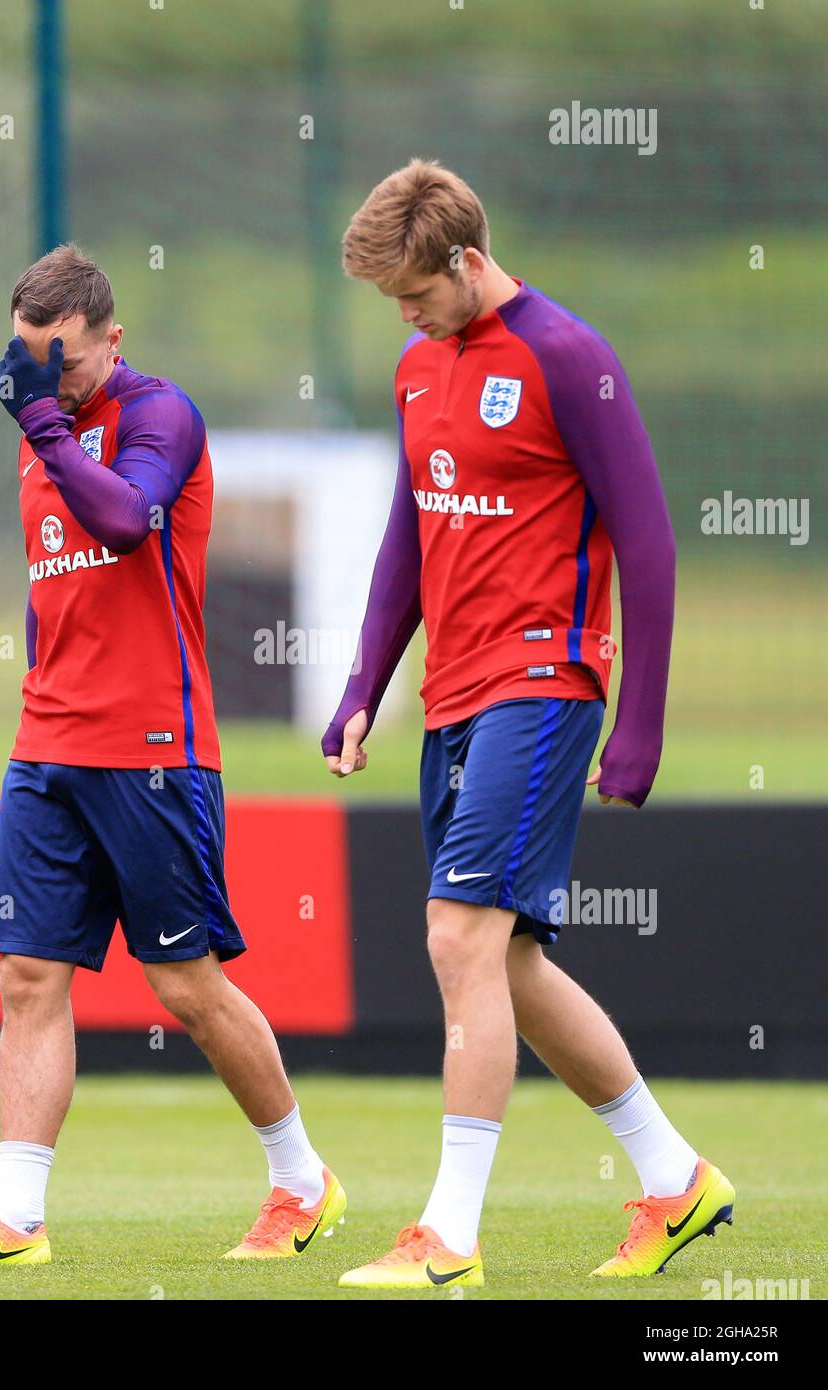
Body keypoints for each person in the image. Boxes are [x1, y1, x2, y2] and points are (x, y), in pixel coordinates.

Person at [322, 161, 734, 1289]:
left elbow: (645, 546)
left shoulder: (566, 358)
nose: (400, 314)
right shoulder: (417, 368)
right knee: (504, 962)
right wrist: (364, 683)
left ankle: (447, 1235)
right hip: (449, 696)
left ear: (464, 258)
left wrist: (635, 724)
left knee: (455, 937)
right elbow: (407, 539)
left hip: (543, 684)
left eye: (412, 290)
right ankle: (674, 1179)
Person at [0, 244, 345, 1267]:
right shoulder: (40, 426)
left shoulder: (157, 416)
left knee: (184, 985)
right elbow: (50, 579)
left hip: (152, 750)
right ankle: (15, 1218)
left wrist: (45, 422)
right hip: (46, 741)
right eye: (25, 358)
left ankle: (299, 1179)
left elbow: (122, 522)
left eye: (59, 357)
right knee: (25, 975)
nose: (40, 377)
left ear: (111, 334)